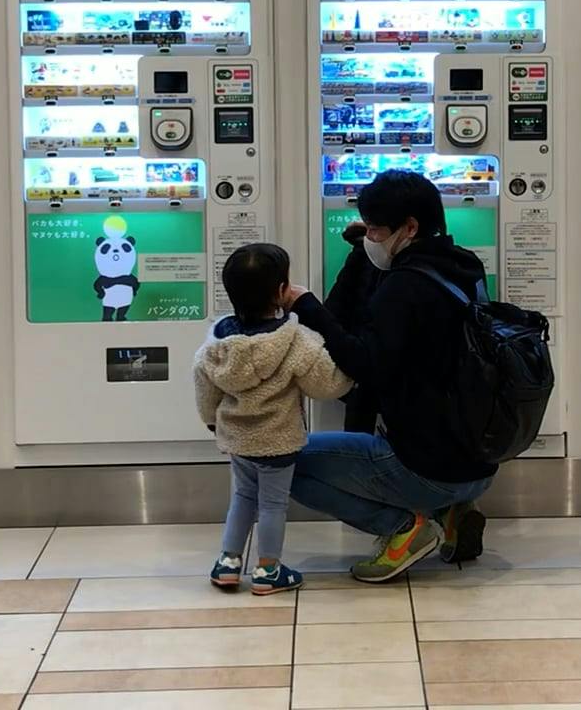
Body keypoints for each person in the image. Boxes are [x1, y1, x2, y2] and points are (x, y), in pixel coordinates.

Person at [289, 170, 495, 582]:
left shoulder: (403, 287)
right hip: (480, 462)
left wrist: (308, 306)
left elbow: (364, 365)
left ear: (410, 227)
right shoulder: (465, 266)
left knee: (282, 462)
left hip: (427, 466)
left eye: (378, 230)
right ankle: (452, 513)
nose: (372, 239)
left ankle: (403, 530)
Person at [193, 243, 354, 595]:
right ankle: (268, 569)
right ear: (282, 291)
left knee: (243, 498)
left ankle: (228, 563)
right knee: (272, 504)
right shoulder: (295, 341)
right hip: (279, 442)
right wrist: (353, 371)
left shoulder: (218, 342)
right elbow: (328, 384)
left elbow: (204, 387)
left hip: (237, 441)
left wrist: (211, 421)